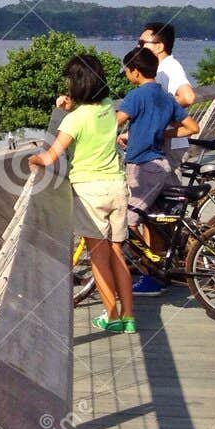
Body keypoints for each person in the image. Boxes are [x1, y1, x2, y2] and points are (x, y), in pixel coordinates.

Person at [29, 53, 134, 334]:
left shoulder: (73, 120)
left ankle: (111, 316)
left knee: (98, 257)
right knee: (117, 253)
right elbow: (92, 112)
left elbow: (51, 156)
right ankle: (129, 316)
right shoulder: (107, 109)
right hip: (117, 186)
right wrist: (69, 107)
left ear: (76, 84)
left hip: (90, 192)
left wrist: (34, 161)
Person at [118, 47, 200, 283]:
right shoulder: (165, 96)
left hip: (143, 167)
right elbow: (193, 128)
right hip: (161, 164)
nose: (126, 74)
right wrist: (164, 132)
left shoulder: (136, 96)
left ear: (135, 72)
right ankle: (157, 267)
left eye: (126, 70)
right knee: (155, 219)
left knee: (128, 221)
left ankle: (146, 275)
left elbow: (113, 122)